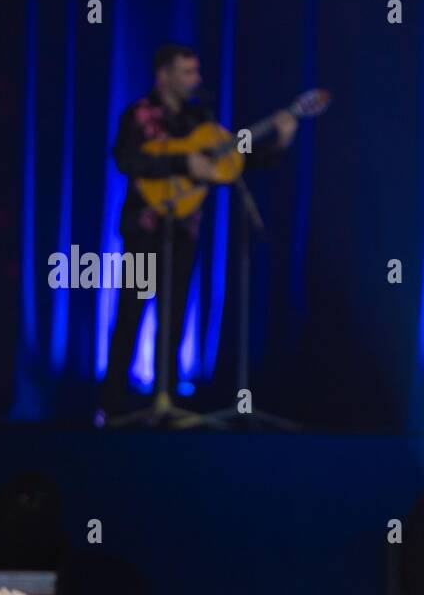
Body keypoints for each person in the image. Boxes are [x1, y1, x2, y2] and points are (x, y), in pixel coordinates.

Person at [99, 43, 297, 421]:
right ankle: (112, 406)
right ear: (164, 75)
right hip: (146, 229)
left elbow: (236, 160)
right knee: (130, 314)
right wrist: (180, 160)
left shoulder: (198, 119)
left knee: (174, 317)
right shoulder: (139, 114)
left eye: (196, 72)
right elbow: (127, 159)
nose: (196, 79)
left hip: (185, 230)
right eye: (187, 72)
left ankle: (168, 402)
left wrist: (280, 140)